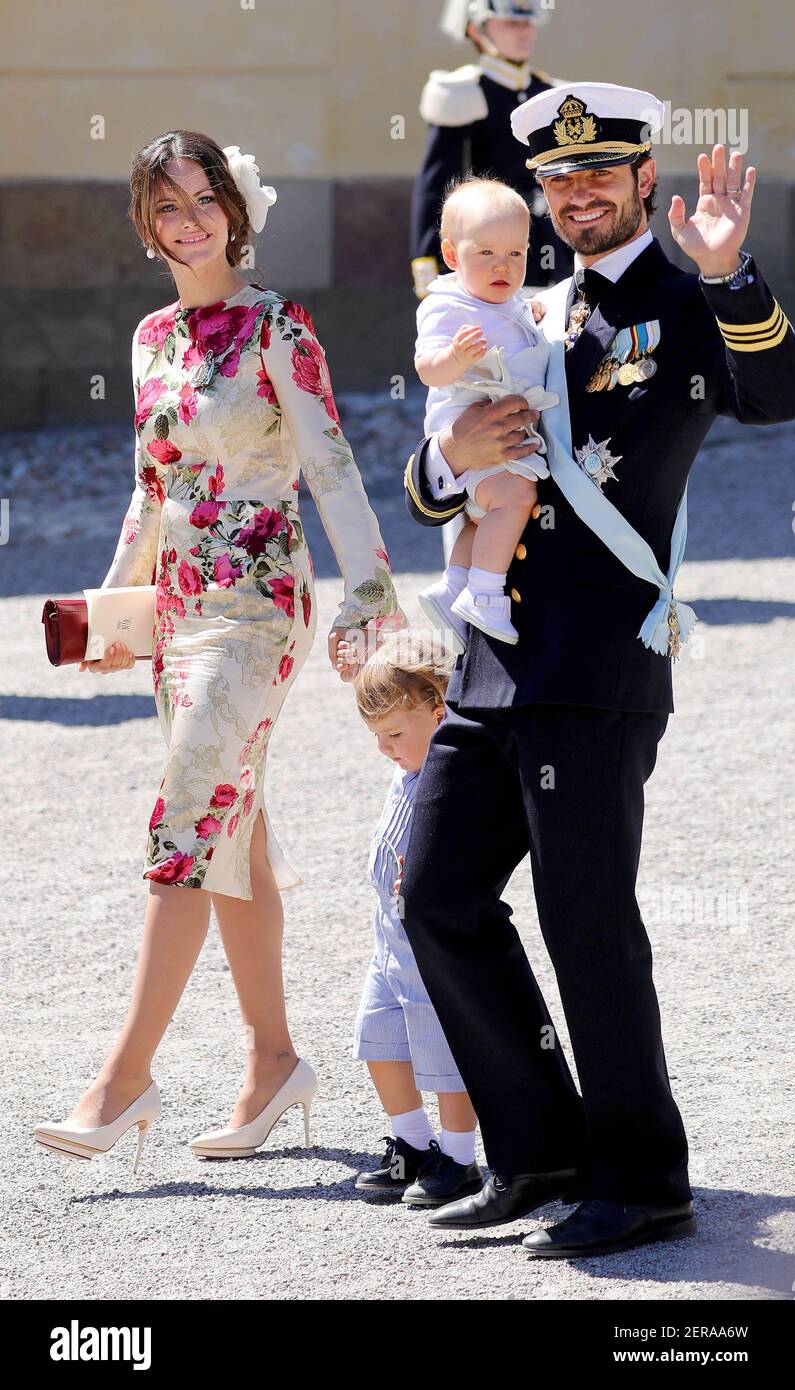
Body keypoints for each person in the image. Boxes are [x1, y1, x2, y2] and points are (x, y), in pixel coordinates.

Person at [402, 82, 795, 1257]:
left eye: (600, 177)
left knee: (586, 918)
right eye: (559, 183)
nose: (578, 196)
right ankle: (539, 1149)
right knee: (437, 894)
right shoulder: (522, 307)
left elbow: (776, 394)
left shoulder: (684, 301)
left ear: (639, 181)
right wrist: (444, 457)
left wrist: (730, 272)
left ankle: (641, 1174)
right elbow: (449, 474)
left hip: (596, 662)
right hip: (494, 660)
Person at [33, 131, 404, 1173]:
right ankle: (276, 1061)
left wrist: (371, 595)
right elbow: (151, 489)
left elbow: (330, 467)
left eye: (203, 200)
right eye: (167, 207)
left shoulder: (282, 326)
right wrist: (110, 616)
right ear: (146, 226)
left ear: (233, 208)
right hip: (180, 614)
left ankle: (124, 1078)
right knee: (234, 836)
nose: (188, 221)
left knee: (185, 820)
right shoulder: (151, 336)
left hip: (258, 609)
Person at [339, 629, 481, 1207]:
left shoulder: (453, 773)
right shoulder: (408, 761)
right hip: (388, 939)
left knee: (442, 1049)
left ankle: (460, 1156)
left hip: (429, 946)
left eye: (395, 733)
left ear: (439, 710)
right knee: (379, 1041)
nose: (386, 748)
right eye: (377, 737)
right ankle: (412, 1142)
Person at [414, 176, 557, 648]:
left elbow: (518, 329)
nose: (504, 265)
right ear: (453, 256)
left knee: (482, 517)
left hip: (504, 436)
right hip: (471, 437)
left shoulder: (511, 302)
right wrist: (454, 357)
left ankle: (454, 583)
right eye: (487, 253)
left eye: (516, 254)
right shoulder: (447, 305)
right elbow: (427, 368)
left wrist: (529, 316)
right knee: (515, 498)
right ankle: (485, 592)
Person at [410, 0, 572, 302]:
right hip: (489, 253)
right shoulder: (463, 92)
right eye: (511, 24)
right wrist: (430, 260)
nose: (524, 32)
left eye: (527, 23)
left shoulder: (550, 92)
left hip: (555, 249)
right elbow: (437, 187)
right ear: (476, 30)